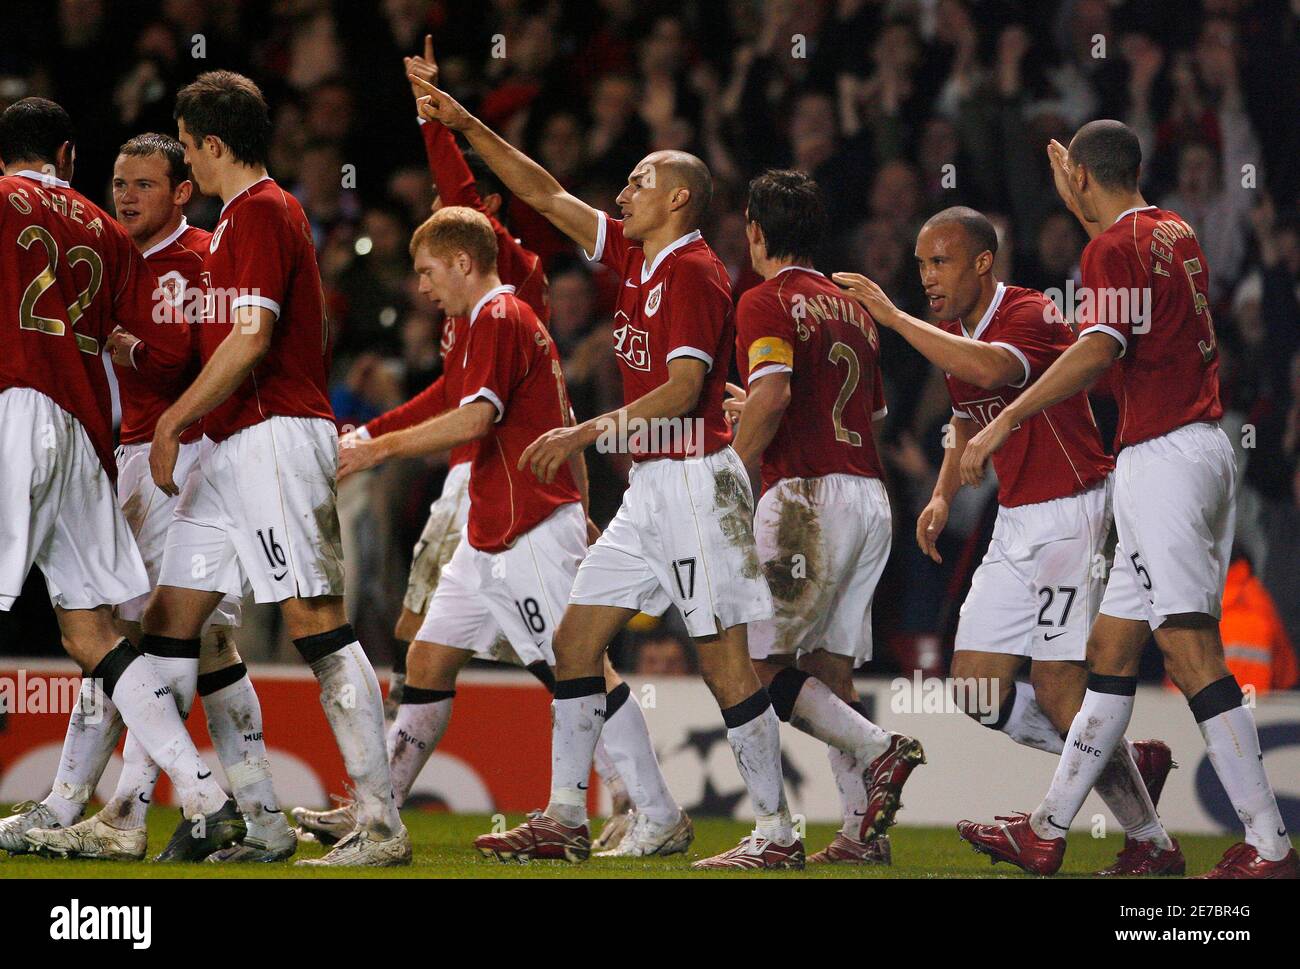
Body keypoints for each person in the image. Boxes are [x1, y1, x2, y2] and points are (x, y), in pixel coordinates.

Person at [409, 75, 798, 869]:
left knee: (722, 657)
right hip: (650, 489)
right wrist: (461, 121)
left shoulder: (694, 272)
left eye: (640, 181)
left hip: (694, 480)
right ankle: (566, 816)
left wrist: (587, 428)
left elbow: (687, 388)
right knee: (574, 640)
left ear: (681, 198)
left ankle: (779, 833)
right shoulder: (633, 254)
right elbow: (545, 193)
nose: (623, 191)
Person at [956, 120, 1296, 878]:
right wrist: (1078, 193)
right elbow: (1122, 292)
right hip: (1195, 450)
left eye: (1072, 180)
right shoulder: (1172, 229)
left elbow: (1099, 347)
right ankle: (1064, 829)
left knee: (1187, 648)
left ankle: (1270, 844)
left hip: (1164, 456)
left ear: (1079, 176)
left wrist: (1008, 416)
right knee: (1109, 651)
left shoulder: (1110, 248)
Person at [298, 208, 690, 860]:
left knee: (578, 663)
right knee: (426, 658)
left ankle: (652, 810)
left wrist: (376, 448)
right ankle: (376, 815)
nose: (422, 288)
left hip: (528, 527)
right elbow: (488, 408)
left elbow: (475, 420)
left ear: (462, 261)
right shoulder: (479, 324)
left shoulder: (502, 318)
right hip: (491, 533)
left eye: (427, 272)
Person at [837, 205, 1180, 876]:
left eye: (940, 262)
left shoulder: (1029, 314)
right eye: (921, 266)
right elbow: (967, 418)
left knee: (1057, 689)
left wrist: (893, 318)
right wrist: (941, 492)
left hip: (1073, 511)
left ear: (983, 262)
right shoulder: (951, 332)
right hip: (1015, 517)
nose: (928, 277)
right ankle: (1126, 759)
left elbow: (995, 373)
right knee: (974, 690)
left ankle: (1147, 842)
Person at [146, 71, 407, 866]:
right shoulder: (234, 223)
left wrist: (172, 418)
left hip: (274, 437)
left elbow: (253, 337)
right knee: (173, 623)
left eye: (188, 147)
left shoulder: (262, 210)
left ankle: (380, 822)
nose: (186, 161)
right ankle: (257, 815)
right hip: (230, 449)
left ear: (213, 145)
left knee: (315, 624)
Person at [20, 133, 286, 862]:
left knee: (142, 636)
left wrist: (117, 340)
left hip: (190, 456)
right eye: (119, 182)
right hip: (133, 455)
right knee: (190, 642)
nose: (127, 195)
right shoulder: (108, 253)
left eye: (144, 183)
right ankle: (262, 815)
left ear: (180, 192)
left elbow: (190, 359)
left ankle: (120, 811)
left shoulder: (199, 256)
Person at [726, 169, 924, 866]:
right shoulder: (853, 308)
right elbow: (864, 414)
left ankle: (878, 751)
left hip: (807, 498)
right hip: (869, 496)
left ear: (756, 228)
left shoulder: (764, 299)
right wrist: (751, 408)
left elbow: (775, 394)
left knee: (752, 662)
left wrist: (728, 466)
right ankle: (858, 833)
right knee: (828, 663)